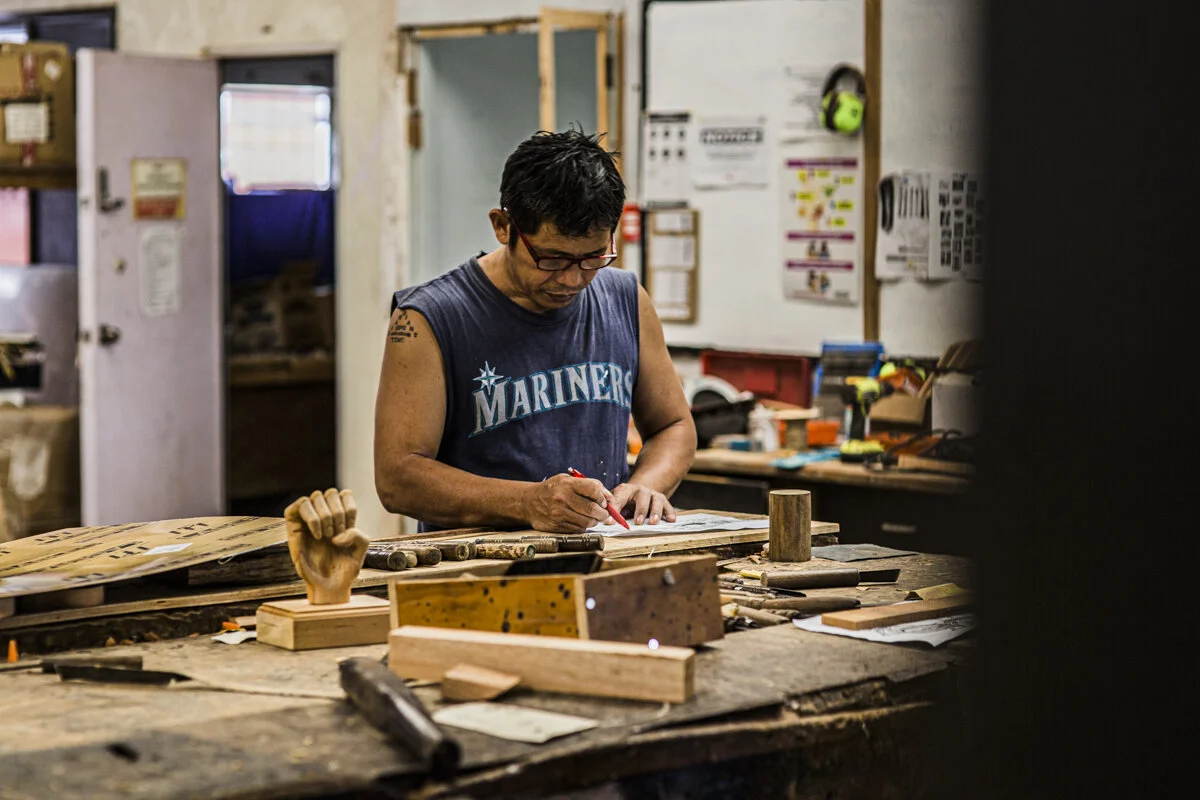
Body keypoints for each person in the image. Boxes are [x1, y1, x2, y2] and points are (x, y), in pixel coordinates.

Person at [374, 130, 697, 534]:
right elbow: (397, 478)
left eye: (593, 257)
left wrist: (643, 487)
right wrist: (528, 502)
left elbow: (674, 427)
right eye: (552, 258)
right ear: (503, 226)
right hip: (477, 576)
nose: (573, 278)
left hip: (604, 562)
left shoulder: (626, 298)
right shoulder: (427, 318)